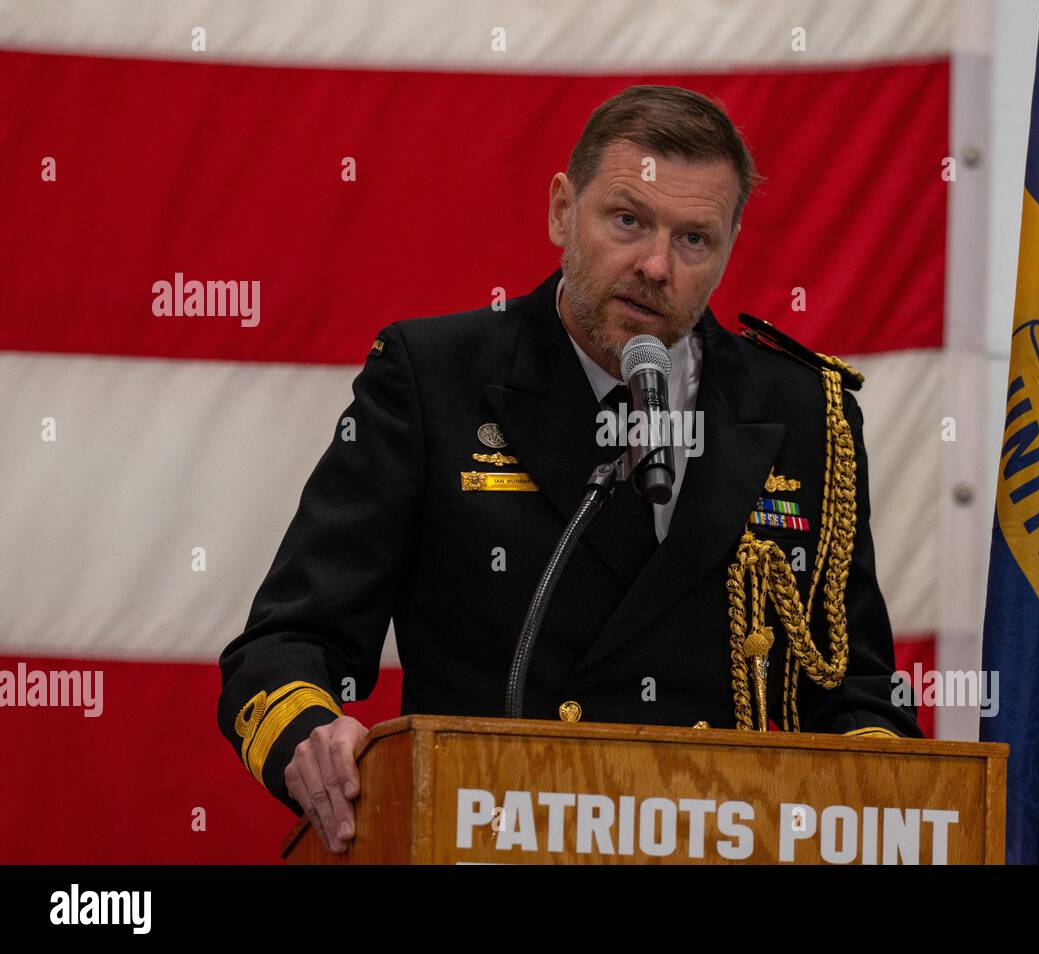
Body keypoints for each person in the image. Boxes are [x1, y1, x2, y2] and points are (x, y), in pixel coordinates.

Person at [217, 84, 921, 855]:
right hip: (486, 842)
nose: (656, 265)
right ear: (562, 210)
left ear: (730, 246)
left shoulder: (802, 410)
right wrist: (311, 736)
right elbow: (286, 643)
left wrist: (883, 783)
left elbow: (853, 689)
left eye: (695, 240)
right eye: (628, 221)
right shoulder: (435, 378)